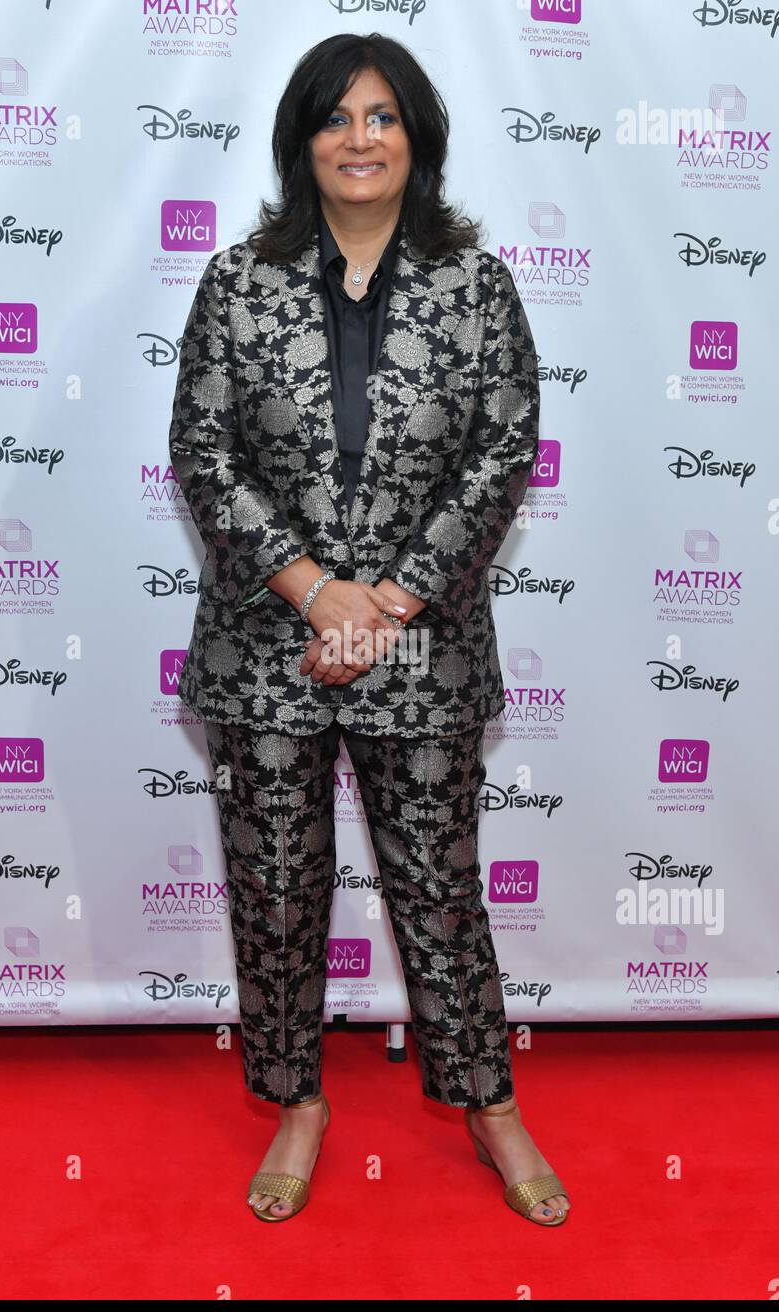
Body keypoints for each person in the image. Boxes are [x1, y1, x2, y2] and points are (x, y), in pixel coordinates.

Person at [167, 32, 570, 1228]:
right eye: (336, 117)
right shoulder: (239, 281)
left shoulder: (475, 285)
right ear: (302, 138)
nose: (360, 137)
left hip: (423, 647)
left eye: (383, 116)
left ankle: (489, 1103)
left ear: (417, 139)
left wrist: (387, 601)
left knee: (437, 889)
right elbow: (201, 448)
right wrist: (311, 589)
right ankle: (295, 1101)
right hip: (268, 652)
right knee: (276, 887)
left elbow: (504, 451)